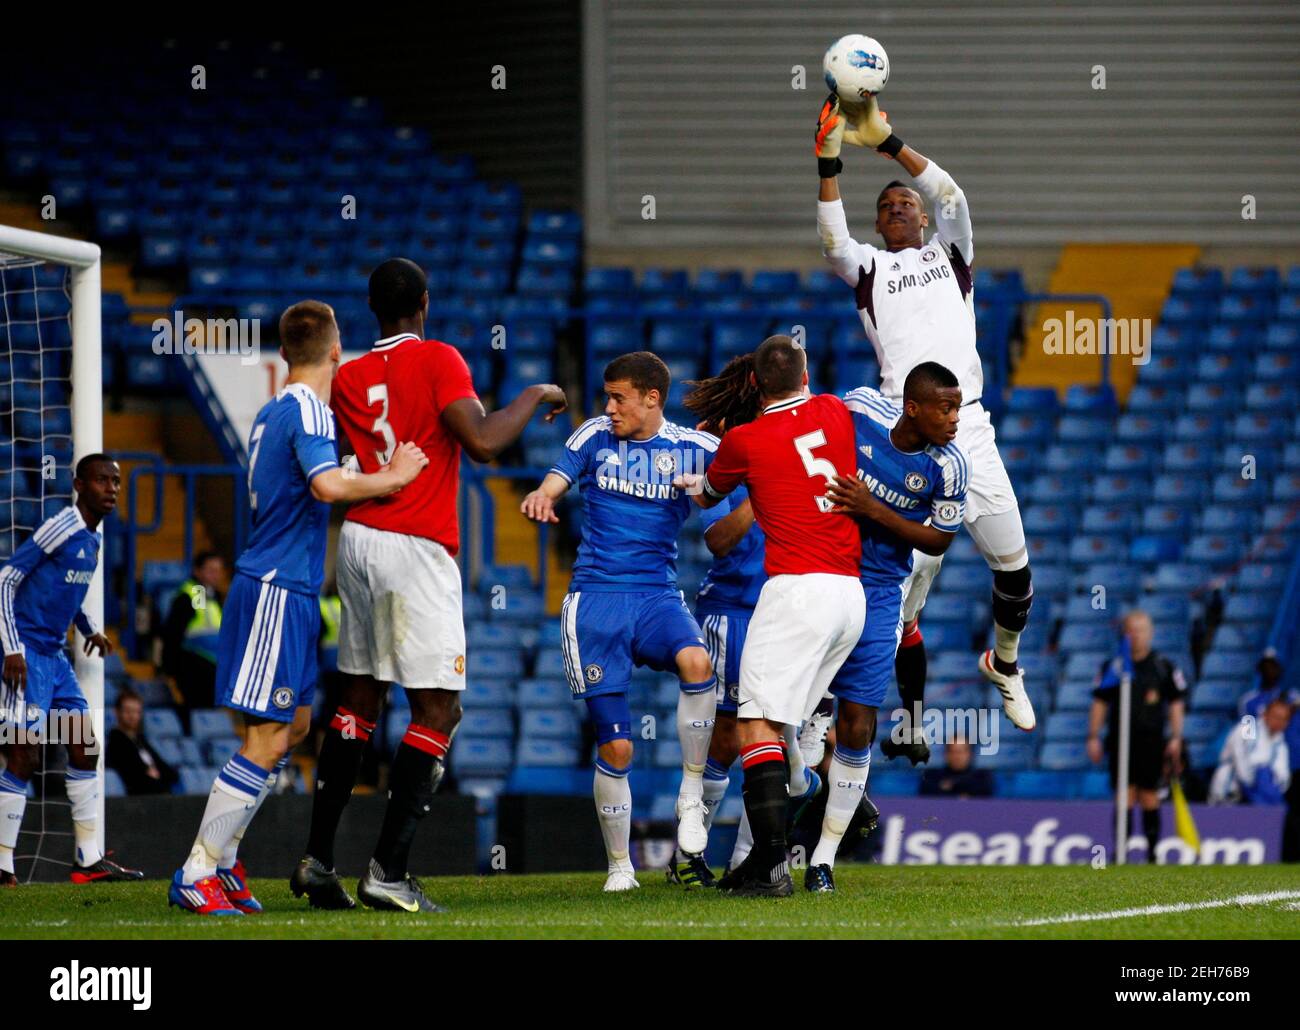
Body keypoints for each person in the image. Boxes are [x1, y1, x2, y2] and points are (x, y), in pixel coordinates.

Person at [293, 258, 565, 913]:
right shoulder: (439, 357)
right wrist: (534, 394)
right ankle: (387, 872)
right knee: (438, 710)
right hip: (413, 544)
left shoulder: (349, 375)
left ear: (372, 309)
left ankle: (317, 860)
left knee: (358, 701)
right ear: (424, 301)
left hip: (357, 539)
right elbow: (483, 442)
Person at [168, 299, 429, 917]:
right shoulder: (310, 408)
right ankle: (198, 868)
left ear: (285, 352)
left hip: (289, 589)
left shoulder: (273, 410)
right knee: (265, 739)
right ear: (336, 350)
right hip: (276, 589)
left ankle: (225, 863)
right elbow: (326, 485)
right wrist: (394, 477)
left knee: (296, 727)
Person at [814, 92, 1036, 754]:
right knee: (888, 601)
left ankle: (1004, 663)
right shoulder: (868, 268)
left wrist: (889, 143)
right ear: (878, 224)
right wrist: (828, 163)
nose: (898, 207)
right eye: (886, 206)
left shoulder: (952, 253)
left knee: (1016, 572)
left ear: (922, 214)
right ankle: (832, 712)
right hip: (902, 435)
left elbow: (954, 197)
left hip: (970, 428)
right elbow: (832, 238)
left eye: (906, 201)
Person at [522, 351, 718, 892]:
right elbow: (556, 479)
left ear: (652, 398)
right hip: (596, 603)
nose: (609, 408)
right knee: (618, 748)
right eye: (607, 397)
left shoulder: (694, 448)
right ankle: (620, 867)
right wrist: (542, 494)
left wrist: (716, 484)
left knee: (698, 663)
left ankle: (691, 794)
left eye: (618, 398)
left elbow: (751, 470)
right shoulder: (594, 436)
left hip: (657, 597)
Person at [682, 335, 866, 897]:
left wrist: (697, 480)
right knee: (787, 728)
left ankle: (769, 866)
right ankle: (782, 831)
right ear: (807, 376)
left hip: (796, 592)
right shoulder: (834, 410)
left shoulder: (745, 439)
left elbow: (707, 495)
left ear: (754, 383)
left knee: (754, 724)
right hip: (850, 595)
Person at [803, 363, 969, 891]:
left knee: (857, 722)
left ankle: (823, 860)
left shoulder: (950, 466)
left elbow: (939, 540)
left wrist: (872, 510)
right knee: (790, 713)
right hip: (825, 569)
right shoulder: (859, 408)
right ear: (913, 408)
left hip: (880, 591)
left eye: (958, 408)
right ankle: (778, 826)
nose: (955, 418)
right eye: (946, 408)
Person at [0, 454, 143, 886]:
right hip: (26, 656)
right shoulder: (61, 526)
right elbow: (6, 578)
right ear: (79, 485)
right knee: (23, 754)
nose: (111, 489)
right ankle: (3, 864)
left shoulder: (95, 539)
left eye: (116, 482)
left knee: (85, 747)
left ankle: (87, 859)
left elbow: (66, 591)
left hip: (55, 658)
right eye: (102, 480)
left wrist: (89, 627)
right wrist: (12, 649)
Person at [1086, 610, 1187, 863]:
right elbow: (1099, 702)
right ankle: (1121, 851)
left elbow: (1176, 702)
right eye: (1131, 631)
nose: (1136, 636)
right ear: (1125, 634)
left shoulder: (1163, 666)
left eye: (1141, 630)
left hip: (1151, 741)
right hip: (1120, 741)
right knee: (1124, 794)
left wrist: (1176, 737)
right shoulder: (1114, 667)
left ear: (1150, 633)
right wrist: (1093, 736)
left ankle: (1152, 853)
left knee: (1150, 794)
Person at [1238, 648, 1300, 860]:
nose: (1270, 671)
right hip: (1263, 768)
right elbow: (1246, 736)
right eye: (1266, 666)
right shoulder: (1249, 701)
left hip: (1293, 762)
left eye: (1274, 666)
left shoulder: (1291, 696)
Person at [161, 551, 226, 716]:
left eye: (219, 571)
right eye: (211, 570)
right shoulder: (195, 593)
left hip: (212, 667)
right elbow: (172, 635)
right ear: (197, 571)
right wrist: (170, 670)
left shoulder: (214, 596)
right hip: (193, 669)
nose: (216, 575)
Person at [1210, 699, 1292, 805]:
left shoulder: (1281, 743)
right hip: (1229, 789)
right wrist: (1257, 783)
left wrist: (1268, 786)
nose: (1279, 721)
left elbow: (1283, 777)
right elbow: (1240, 758)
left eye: (1284, 719)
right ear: (1265, 714)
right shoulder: (1248, 727)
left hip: (1257, 797)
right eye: (1276, 716)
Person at [106, 688, 179, 795]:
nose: (132, 716)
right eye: (128, 711)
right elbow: (134, 777)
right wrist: (152, 774)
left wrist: (156, 774)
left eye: (137, 712)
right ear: (117, 712)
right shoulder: (116, 743)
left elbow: (170, 773)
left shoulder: (140, 740)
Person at [919, 738, 993, 798]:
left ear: (970, 754)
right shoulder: (932, 776)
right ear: (946, 754)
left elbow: (985, 796)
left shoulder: (982, 777)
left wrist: (948, 787)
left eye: (961, 752)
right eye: (953, 752)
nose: (957, 756)